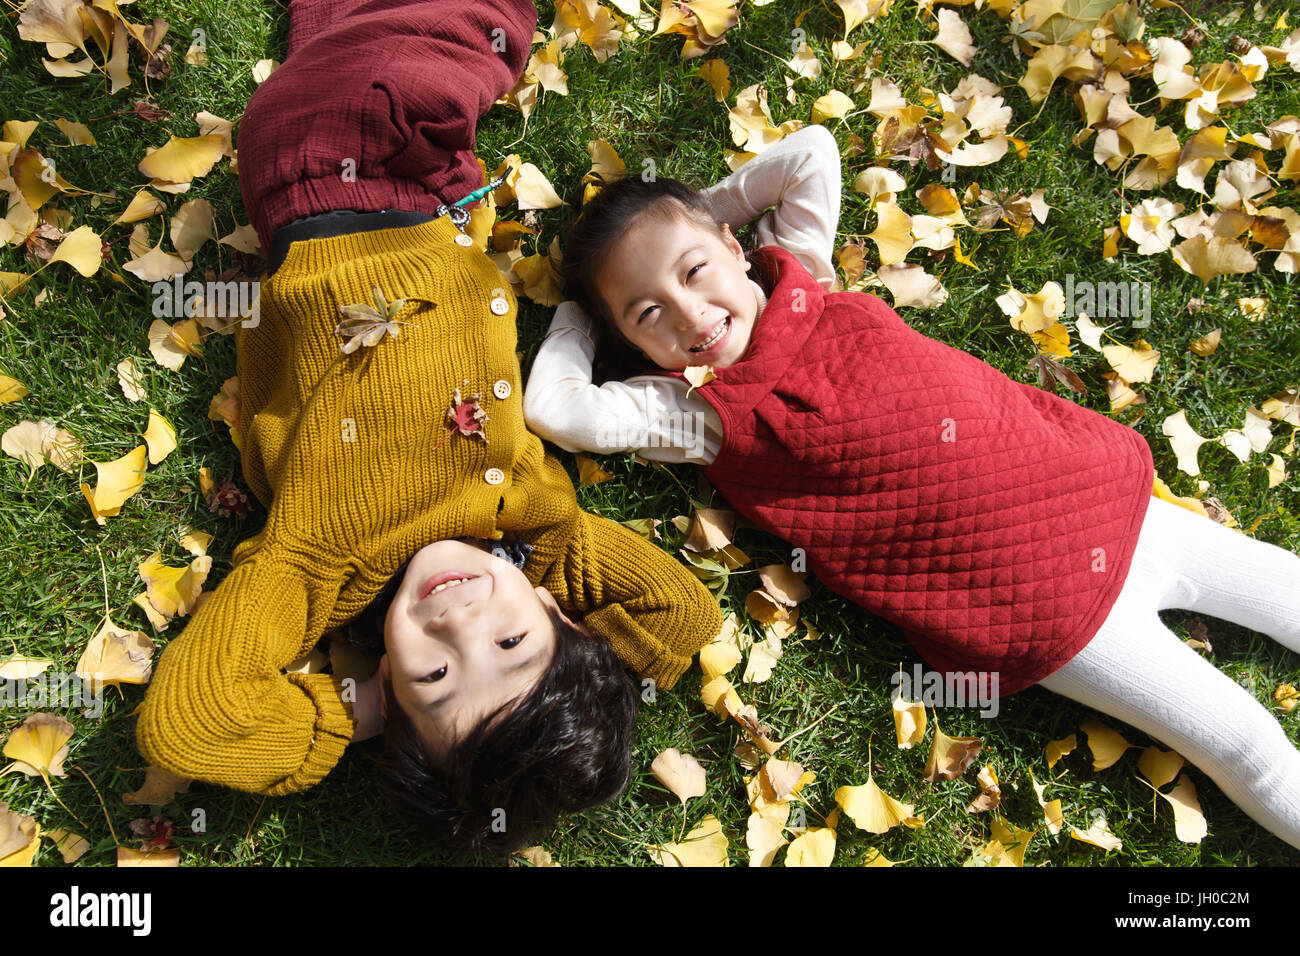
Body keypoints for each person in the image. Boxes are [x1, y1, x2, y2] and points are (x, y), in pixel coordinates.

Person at [522, 122, 1300, 851]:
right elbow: (553, 407)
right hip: (1040, 608)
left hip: (1097, 492)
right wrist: (577, 315)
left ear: (735, 246)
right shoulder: (695, 415)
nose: (691, 313)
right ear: (632, 344)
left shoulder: (803, 273)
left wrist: (694, 211)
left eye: (696, 270)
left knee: (1285, 587)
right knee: (1245, 742)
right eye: (648, 314)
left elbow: (814, 151)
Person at [135, 0, 724, 858]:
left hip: (333, 168)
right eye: (512, 642)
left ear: (392, 690)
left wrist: (357, 710)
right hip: (436, 194)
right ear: (557, 611)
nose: (459, 622)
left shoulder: (321, 565)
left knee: (479, 24)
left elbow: (189, 725)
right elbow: (686, 614)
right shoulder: (537, 540)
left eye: (436, 676)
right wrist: (594, 666)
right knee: (393, 25)